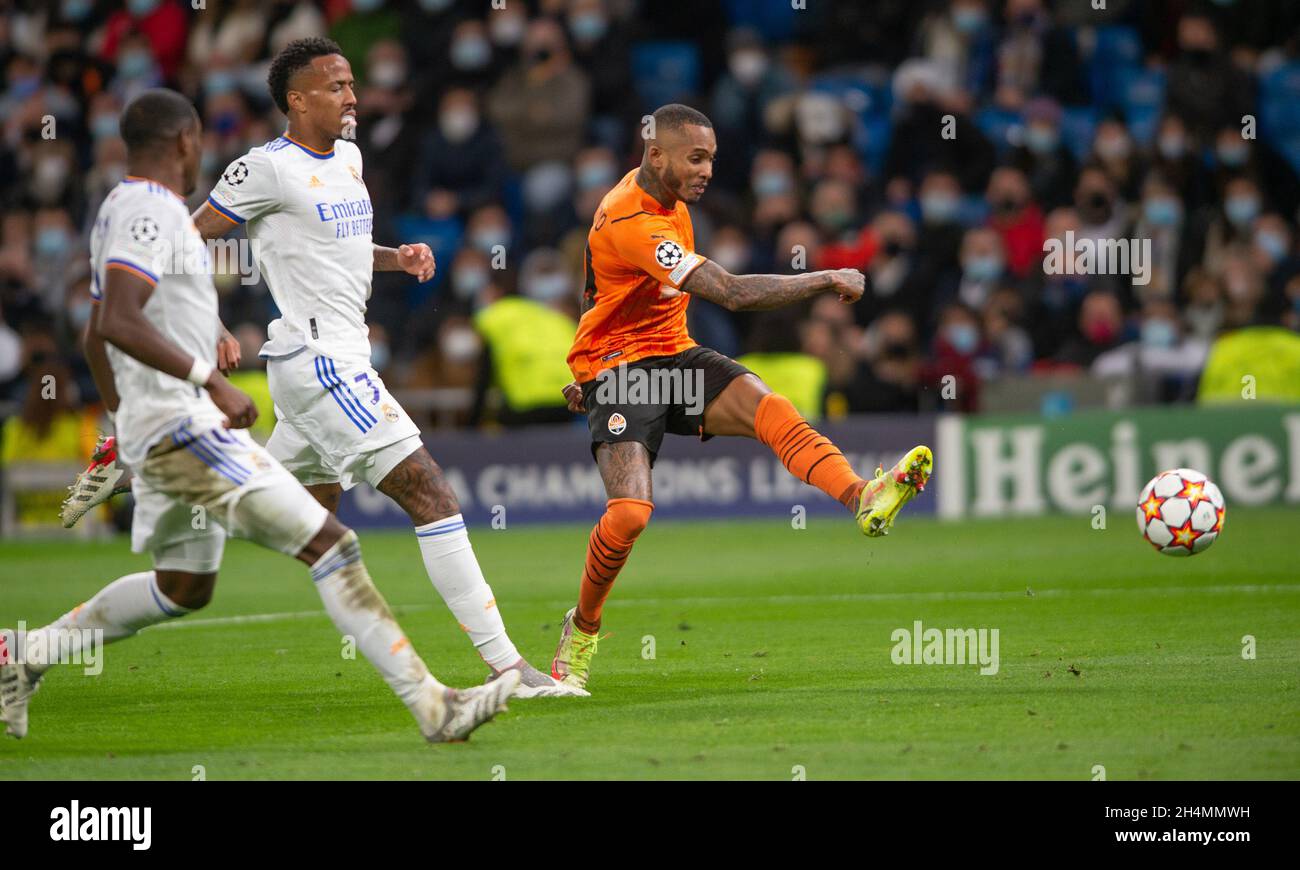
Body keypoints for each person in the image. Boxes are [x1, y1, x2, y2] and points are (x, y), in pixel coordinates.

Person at [0, 89, 518, 742]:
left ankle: (25, 652)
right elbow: (113, 321)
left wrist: (125, 414)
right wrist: (208, 381)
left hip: (163, 425)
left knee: (183, 587)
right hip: (186, 422)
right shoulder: (150, 211)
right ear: (186, 144)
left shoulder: (123, 210)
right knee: (333, 545)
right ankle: (437, 708)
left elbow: (100, 328)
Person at [178, 38, 581, 699]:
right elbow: (185, 241)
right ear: (298, 99)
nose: (353, 96)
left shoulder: (350, 158)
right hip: (320, 363)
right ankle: (511, 669)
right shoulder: (264, 169)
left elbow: (340, 248)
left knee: (277, 511)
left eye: (352, 84)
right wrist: (213, 323)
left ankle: (151, 473)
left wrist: (399, 257)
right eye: (336, 86)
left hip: (335, 359)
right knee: (431, 493)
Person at [550, 104, 934, 690]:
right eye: (695, 158)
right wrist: (825, 277)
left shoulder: (671, 202)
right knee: (629, 515)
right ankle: (582, 630)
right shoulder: (631, 220)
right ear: (657, 156)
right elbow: (728, 292)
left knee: (770, 408)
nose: (706, 170)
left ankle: (862, 493)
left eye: (711, 158)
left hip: (672, 354)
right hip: (621, 372)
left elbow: (599, 290)